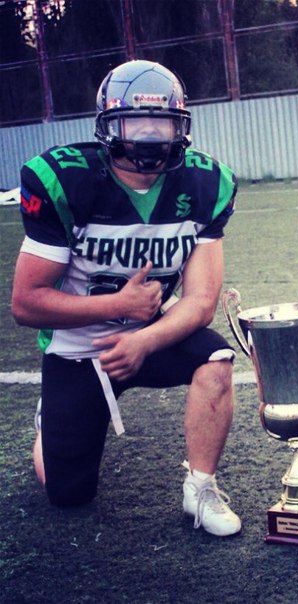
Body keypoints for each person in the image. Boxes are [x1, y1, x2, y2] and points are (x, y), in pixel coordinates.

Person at [11, 60, 241, 537]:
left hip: (151, 333)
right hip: (78, 348)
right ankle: (49, 423)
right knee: (67, 492)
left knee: (216, 359)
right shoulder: (65, 180)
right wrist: (118, 306)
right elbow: (27, 303)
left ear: (181, 127)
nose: (149, 135)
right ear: (108, 126)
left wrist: (143, 339)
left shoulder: (205, 184)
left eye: (162, 122)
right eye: (135, 122)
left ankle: (200, 488)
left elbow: (201, 301)